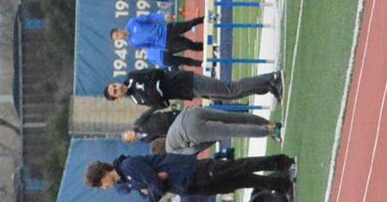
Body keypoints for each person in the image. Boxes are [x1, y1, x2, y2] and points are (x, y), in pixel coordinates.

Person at [87, 150, 296, 202]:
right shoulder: (126, 182)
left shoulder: (129, 165)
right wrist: (154, 185)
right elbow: (151, 192)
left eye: (101, 184)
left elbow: (155, 185)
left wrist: (154, 185)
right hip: (190, 186)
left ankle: (281, 162)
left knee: (240, 167)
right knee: (241, 181)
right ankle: (280, 185)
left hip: (192, 171)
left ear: (103, 174)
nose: (105, 188)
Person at [120, 104, 280, 153]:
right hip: (189, 113)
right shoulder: (159, 138)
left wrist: (214, 138)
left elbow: (193, 150)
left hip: (191, 130)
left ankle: (271, 131)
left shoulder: (171, 150)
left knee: (234, 130)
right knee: (232, 118)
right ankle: (268, 123)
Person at [108, 66, 281, 107]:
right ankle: (266, 86)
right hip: (186, 92)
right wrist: (158, 90)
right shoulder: (137, 100)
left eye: (114, 86)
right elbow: (162, 104)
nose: (117, 88)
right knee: (229, 96)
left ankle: (271, 78)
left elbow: (156, 73)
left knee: (230, 89)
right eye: (115, 92)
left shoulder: (132, 77)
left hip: (185, 80)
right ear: (117, 98)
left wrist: (158, 90)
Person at [112, 12, 203, 64]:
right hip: (166, 43)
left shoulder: (132, 22)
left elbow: (149, 18)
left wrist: (163, 16)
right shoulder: (132, 43)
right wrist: (164, 48)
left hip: (167, 30)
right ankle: (212, 48)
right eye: (117, 39)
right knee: (189, 45)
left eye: (117, 35)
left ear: (119, 30)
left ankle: (205, 18)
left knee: (189, 24)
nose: (119, 38)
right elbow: (149, 46)